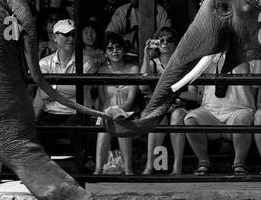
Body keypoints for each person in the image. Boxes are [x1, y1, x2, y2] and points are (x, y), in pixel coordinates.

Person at [183, 56, 261, 175]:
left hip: (239, 110)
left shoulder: (250, 56)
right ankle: (203, 162)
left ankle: (239, 163)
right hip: (210, 111)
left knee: (242, 118)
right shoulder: (209, 55)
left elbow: (257, 85)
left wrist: (246, 61)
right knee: (191, 119)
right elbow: (195, 88)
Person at [139, 27, 199, 175]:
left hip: (178, 104)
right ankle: (149, 166)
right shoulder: (152, 63)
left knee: (177, 117)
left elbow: (194, 95)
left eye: (169, 40)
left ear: (175, 43)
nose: (165, 43)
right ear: (156, 44)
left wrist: (173, 94)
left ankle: (177, 166)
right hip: (160, 106)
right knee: (157, 117)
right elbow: (142, 86)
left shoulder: (184, 64)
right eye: (161, 40)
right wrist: (146, 56)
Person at [91, 35, 140, 175]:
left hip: (128, 112)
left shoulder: (133, 69)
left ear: (124, 50)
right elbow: (103, 99)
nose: (115, 51)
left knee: (120, 121)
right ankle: (98, 170)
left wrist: (119, 111)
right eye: (110, 48)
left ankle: (128, 170)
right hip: (107, 111)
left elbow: (131, 100)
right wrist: (110, 113)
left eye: (118, 47)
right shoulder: (102, 71)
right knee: (108, 120)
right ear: (106, 52)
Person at [33, 18, 81, 158]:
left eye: (73, 34)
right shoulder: (44, 63)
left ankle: (80, 167)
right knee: (39, 129)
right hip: (52, 112)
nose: (71, 38)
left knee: (78, 128)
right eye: (66, 34)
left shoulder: (86, 62)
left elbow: (46, 93)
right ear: (55, 37)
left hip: (75, 111)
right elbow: (42, 95)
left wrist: (51, 88)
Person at [105, 0, 172, 56]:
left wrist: (148, 44)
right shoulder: (122, 11)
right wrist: (127, 40)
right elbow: (108, 36)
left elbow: (168, 39)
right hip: (128, 56)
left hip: (154, 55)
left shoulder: (159, 10)